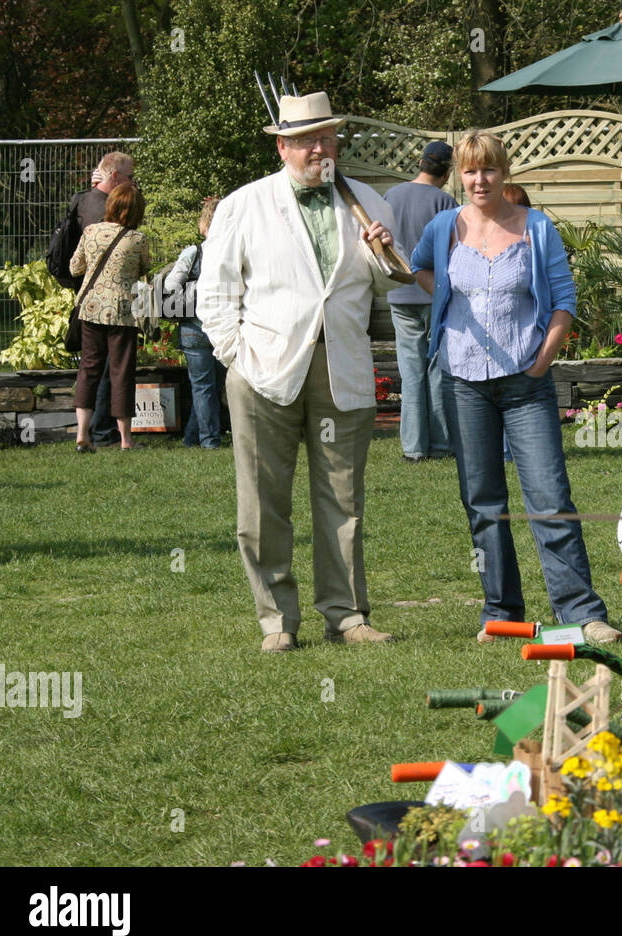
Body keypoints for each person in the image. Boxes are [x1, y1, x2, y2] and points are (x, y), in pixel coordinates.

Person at [199, 92, 404, 653]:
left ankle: (347, 616)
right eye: (309, 140)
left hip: (341, 369)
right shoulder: (245, 204)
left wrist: (385, 253)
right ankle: (277, 622)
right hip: (263, 372)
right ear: (283, 146)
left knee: (344, 499)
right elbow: (215, 291)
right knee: (262, 505)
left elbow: (391, 285)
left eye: (329, 137)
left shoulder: (366, 201)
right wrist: (235, 355)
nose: (321, 148)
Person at [410, 130, 622, 645]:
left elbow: (564, 301)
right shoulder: (444, 227)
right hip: (464, 384)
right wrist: (442, 299)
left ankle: (580, 613)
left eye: (488, 170)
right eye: (469, 170)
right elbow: (417, 268)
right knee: (483, 503)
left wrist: (541, 361)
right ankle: (501, 614)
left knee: (549, 498)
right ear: (459, 175)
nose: (479, 180)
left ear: (504, 173)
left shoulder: (537, 227)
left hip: (526, 387)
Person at [385, 141, 457, 462]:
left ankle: (414, 448)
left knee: (411, 371)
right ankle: (441, 444)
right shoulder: (445, 202)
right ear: (447, 171)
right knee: (436, 369)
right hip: (435, 294)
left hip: (399, 294)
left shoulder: (391, 197)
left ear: (420, 163)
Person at [69, 182, 149, 453]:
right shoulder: (137, 239)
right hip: (123, 313)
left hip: (90, 309)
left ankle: (82, 434)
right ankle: (126, 439)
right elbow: (144, 269)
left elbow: (75, 266)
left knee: (89, 369)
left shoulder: (90, 231)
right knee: (121, 372)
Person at [165, 197, 226, 449]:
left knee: (203, 386)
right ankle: (208, 440)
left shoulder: (194, 252)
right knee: (213, 385)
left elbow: (169, 286)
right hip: (224, 325)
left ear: (204, 223)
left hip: (193, 325)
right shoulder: (233, 251)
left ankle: (196, 438)